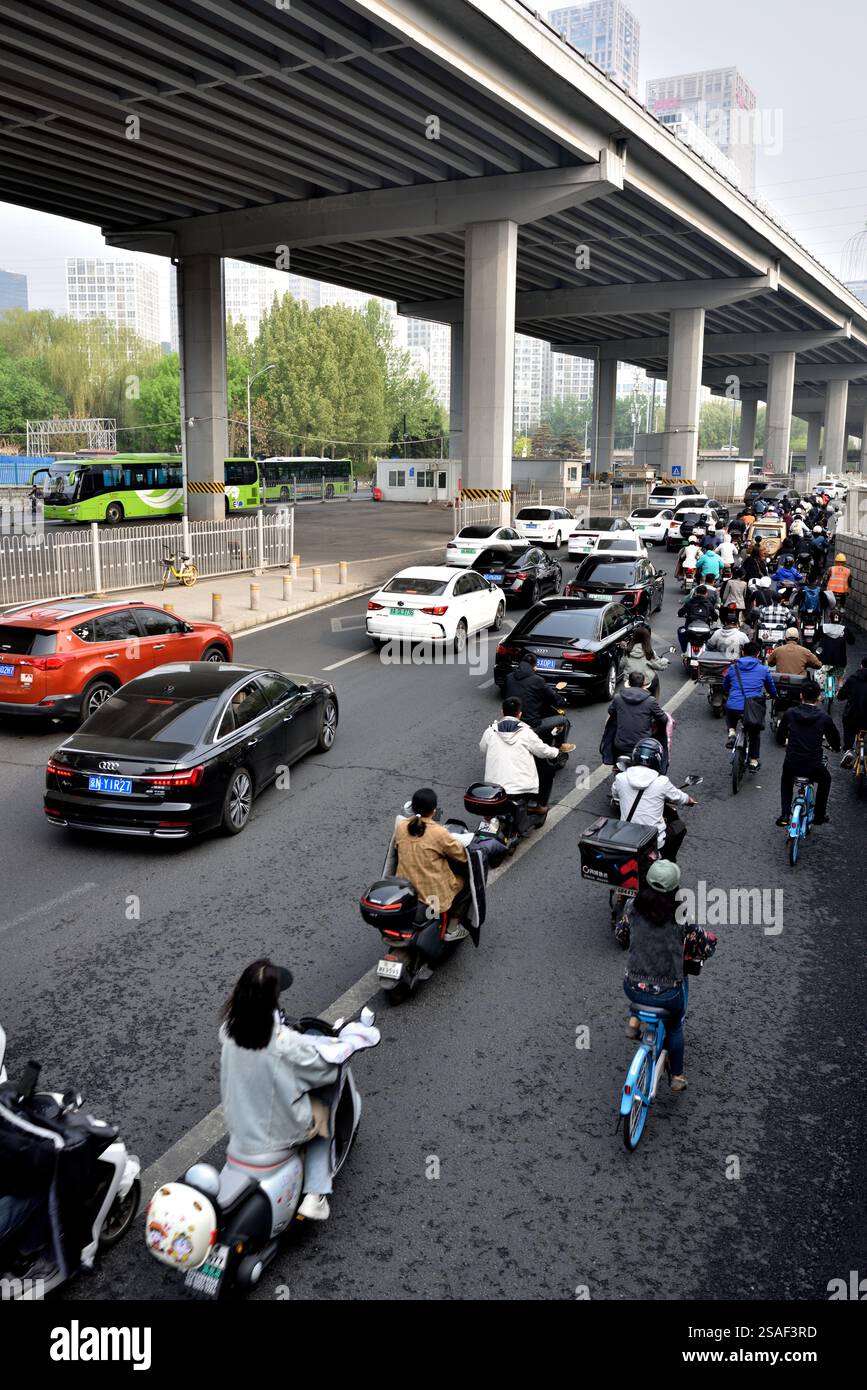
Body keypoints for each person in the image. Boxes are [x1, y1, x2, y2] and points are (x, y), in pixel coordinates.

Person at [220, 960, 340, 1221]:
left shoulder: (228, 1032)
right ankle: (316, 1193)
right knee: (324, 1105)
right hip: (279, 1134)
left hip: (240, 1130)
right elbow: (325, 1070)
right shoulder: (284, 1042)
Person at [622, 860, 715, 1091]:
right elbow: (703, 945)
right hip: (665, 994)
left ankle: (635, 1020)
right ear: (675, 888)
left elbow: (621, 935)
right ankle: (677, 1076)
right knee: (673, 1027)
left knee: (641, 989)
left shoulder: (632, 906)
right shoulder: (680, 915)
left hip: (632, 986)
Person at [394, 787, 472, 939]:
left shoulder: (401, 826)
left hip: (404, 887)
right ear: (434, 810)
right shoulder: (439, 833)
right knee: (466, 884)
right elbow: (462, 857)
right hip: (433, 896)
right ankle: (452, 929)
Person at [480, 697, 571, 826]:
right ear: (520, 714)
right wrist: (556, 752)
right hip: (520, 789)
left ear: (502, 712)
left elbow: (483, 748)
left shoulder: (490, 731)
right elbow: (543, 751)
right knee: (547, 772)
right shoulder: (525, 732)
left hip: (493, 787)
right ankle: (536, 806)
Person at [502, 653, 570, 808]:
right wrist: (562, 700)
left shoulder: (509, 677)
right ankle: (560, 746)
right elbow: (552, 697)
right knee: (563, 720)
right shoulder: (537, 680)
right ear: (534, 666)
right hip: (532, 723)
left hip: (513, 721)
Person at [612, 737, 697, 861]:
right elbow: (679, 797)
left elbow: (615, 795)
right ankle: (668, 859)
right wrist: (689, 800)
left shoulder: (621, 778)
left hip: (626, 836)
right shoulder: (661, 782)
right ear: (658, 759)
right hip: (653, 841)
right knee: (679, 826)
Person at [775, 682, 840, 827]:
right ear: (818, 698)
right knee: (826, 780)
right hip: (813, 767)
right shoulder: (824, 718)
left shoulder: (790, 713)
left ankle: (785, 814)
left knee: (786, 779)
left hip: (792, 764)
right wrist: (836, 748)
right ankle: (819, 815)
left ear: (800, 696)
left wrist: (784, 741)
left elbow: (780, 738)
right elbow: (835, 741)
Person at [722, 641, 778, 770]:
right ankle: (753, 761)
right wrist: (774, 695)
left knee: (730, 711)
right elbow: (771, 688)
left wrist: (730, 691)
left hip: (734, 705)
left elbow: (725, 685)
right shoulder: (763, 669)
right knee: (754, 733)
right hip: (753, 706)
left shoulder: (733, 667)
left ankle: (731, 732)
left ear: (742, 652)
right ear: (758, 654)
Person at [600, 672, 668, 768]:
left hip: (620, 745)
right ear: (643, 683)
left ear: (629, 683)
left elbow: (611, 712)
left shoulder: (618, 698)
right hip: (643, 746)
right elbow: (663, 719)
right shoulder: (650, 701)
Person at [621, 625, 669, 697]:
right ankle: (654, 703)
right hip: (645, 682)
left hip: (630, 682)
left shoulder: (627, 651)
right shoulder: (648, 652)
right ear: (647, 638)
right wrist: (665, 661)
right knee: (655, 677)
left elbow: (621, 665)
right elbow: (659, 666)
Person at [839, 657, 867, 767]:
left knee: (848, 725)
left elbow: (841, 696)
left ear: (861, 666)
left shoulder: (852, 679)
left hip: (853, 717)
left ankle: (849, 749)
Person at [677, 583, 719, 651]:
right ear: (706, 594)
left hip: (690, 629)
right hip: (705, 630)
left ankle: (684, 650)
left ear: (695, 593)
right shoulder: (709, 604)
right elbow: (715, 617)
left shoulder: (690, 602)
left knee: (680, 631)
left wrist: (681, 615)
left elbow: (680, 613)